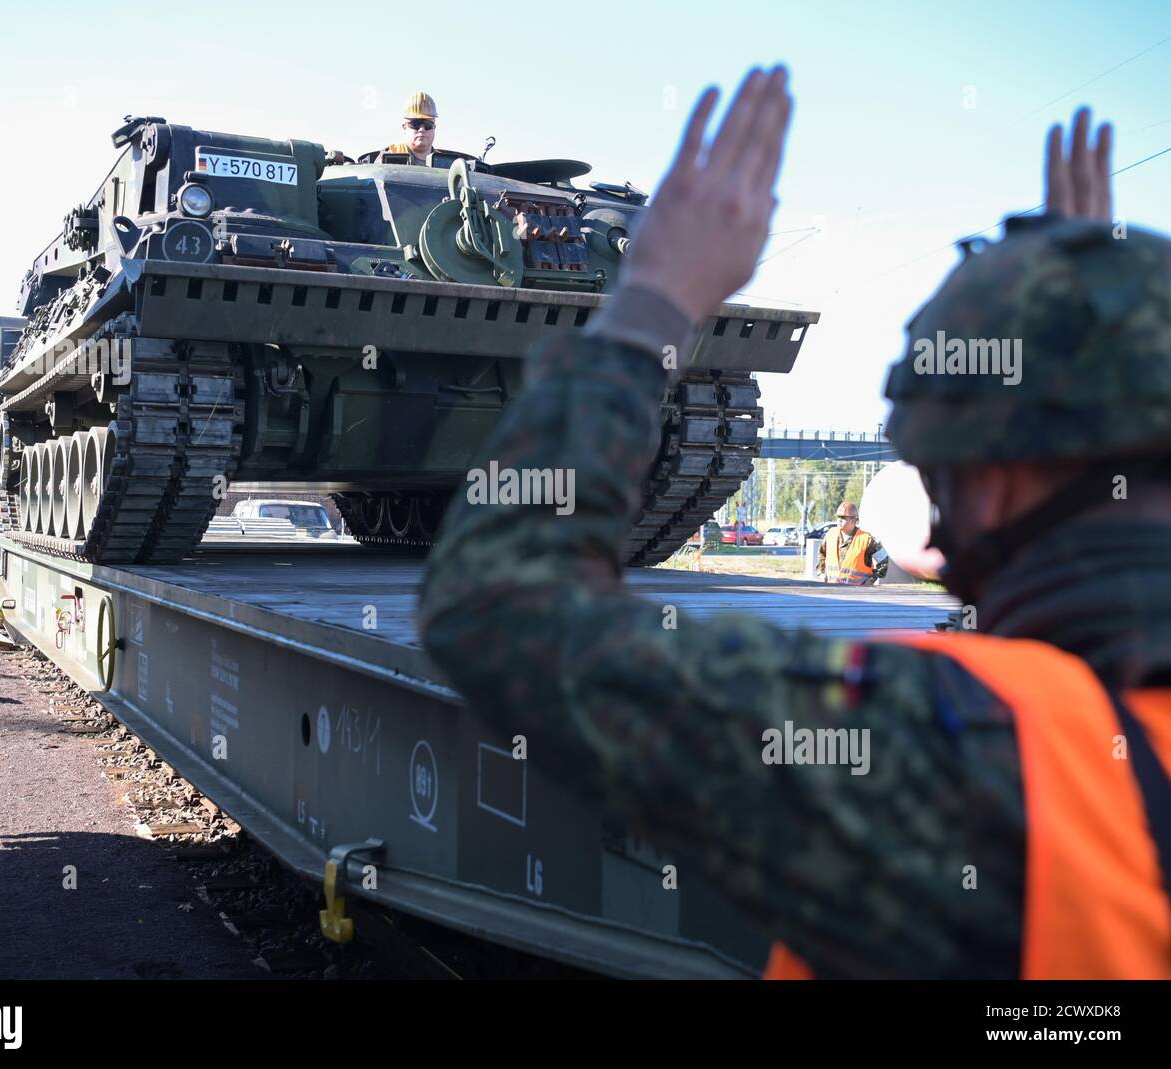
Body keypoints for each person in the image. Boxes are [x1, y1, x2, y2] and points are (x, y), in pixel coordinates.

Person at [418, 67, 1171, 978]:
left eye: (948, 474)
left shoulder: (947, 744)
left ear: (1002, 479)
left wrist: (652, 303)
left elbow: (497, 609)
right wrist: (1092, 326)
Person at [358, 92, 440, 166]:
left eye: (428, 125)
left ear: (434, 127)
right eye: (416, 124)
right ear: (404, 127)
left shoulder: (445, 162)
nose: (422, 129)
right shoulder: (389, 157)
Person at [816, 500, 887, 583]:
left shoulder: (867, 539)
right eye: (838, 517)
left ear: (853, 520)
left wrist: (871, 580)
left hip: (857, 592)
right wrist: (821, 573)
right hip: (832, 590)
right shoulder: (830, 535)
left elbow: (884, 561)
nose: (839, 520)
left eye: (843, 518)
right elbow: (821, 554)